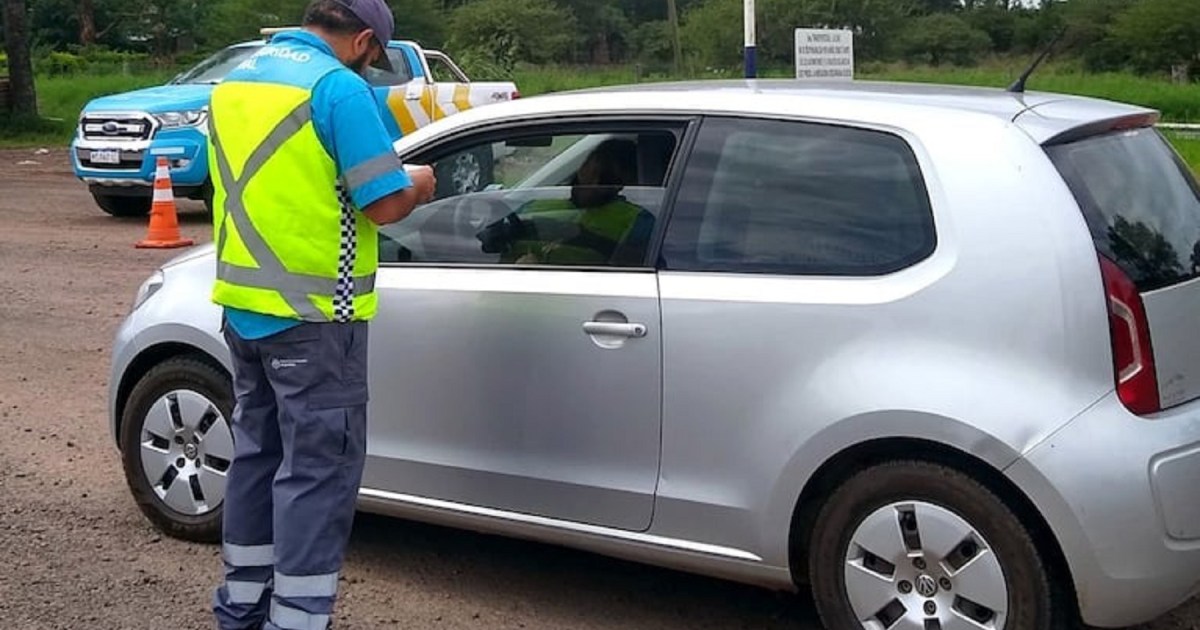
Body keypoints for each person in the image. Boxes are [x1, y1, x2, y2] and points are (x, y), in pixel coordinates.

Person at [205, 1, 435, 629]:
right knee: (317, 473)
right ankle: (299, 620)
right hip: (315, 316)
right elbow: (385, 206)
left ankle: (243, 606)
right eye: (373, 55)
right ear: (362, 40)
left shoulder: (236, 83)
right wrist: (417, 181)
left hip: (244, 307)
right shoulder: (338, 89)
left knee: (256, 456)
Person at [489, 138, 655, 266]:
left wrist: (585, 238)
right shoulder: (540, 203)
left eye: (606, 178)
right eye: (589, 172)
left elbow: (632, 274)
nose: (593, 183)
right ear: (581, 168)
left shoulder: (639, 220)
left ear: (626, 183)